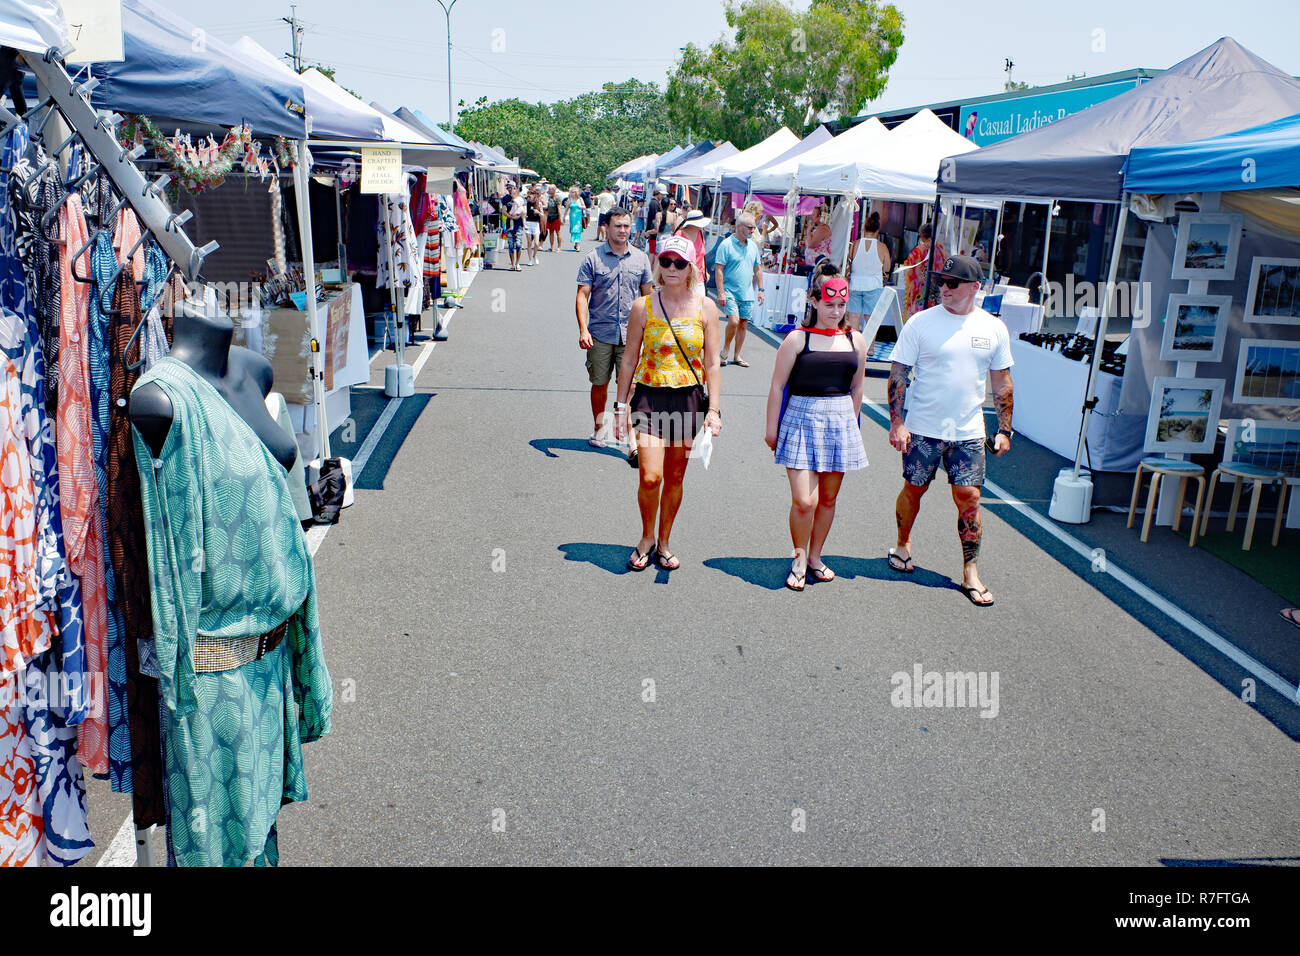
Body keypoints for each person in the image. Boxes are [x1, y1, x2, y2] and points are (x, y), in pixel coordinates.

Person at [887, 255, 1014, 607]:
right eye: (941, 281)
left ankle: (970, 571)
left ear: (976, 287)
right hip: (923, 430)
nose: (944, 287)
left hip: (968, 432)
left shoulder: (993, 328)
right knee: (913, 489)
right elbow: (898, 374)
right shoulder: (921, 323)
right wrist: (897, 422)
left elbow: (1002, 383)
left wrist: (1005, 430)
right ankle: (903, 543)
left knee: (969, 498)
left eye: (953, 283)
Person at [612, 235, 722, 572]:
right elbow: (629, 359)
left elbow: (714, 361)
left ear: (691, 268)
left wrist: (713, 411)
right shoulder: (642, 307)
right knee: (650, 476)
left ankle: (664, 541)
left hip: (687, 400)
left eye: (680, 263)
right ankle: (646, 536)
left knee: (675, 478)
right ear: (658, 265)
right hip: (649, 397)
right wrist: (618, 408)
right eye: (666, 261)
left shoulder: (706, 308)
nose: (672, 268)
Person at [766, 271, 868, 591]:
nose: (835, 311)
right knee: (804, 501)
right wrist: (772, 428)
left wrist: (851, 426)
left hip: (840, 424)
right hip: (799, 421)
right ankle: (798, 557)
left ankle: (814, 557)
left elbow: (858, 388)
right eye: (829, 304)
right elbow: (777, 385)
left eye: (841, 304)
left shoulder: (856, 340)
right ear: (814, 301)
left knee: (828, 499)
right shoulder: (798, 339)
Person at [576, 207, 654, 449]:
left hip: (632, 335)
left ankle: (630, 437)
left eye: (626, 226)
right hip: (599, 332)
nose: (622, 230)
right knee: (600, 383)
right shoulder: (593, 258)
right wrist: (583, 330)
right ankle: (600, 428)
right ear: (607, 227)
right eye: (618, 225)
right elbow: (582, 296)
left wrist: (651, 334)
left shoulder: (641, 259)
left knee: (631, 386)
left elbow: (648, 297)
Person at [715, 212, 764, 367]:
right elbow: (719, 269)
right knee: (734, 321)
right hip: (730, 290)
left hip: (747, 292)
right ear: (740, 227)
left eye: (754, 228)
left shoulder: (753, 247)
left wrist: (761, 289)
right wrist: (721, 292)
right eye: (750, 227)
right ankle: (725, 349)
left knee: (743, 323)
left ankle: (737, 355)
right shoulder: (726, 245)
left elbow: (758, 269)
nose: (752, 230)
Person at [845, 210, 892, 332]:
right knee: (871, 319)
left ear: (864, 228)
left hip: (855, 284)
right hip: (874, 285)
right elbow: (887, 268)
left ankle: (853, 344)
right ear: (877, 230)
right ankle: (870, 349)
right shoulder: (882, 247)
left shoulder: (854, 244)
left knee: (854, 316)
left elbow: (848, 263)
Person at [901, 223, 944, 320]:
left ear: (922, 235)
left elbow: (908, 268)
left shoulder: (919, 250)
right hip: (936, 293)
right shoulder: (940, 250)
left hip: (919, 293)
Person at [673, 208, 710, 280]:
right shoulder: (679, 235)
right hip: (683, 279)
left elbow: (702, 256)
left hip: (699, 278)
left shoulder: (701, 234)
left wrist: (705, 271)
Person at [504, 183, 526, 271]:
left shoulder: (521, 199)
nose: (509, 189)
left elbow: (524, 211)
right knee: (510, 244)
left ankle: (517, 263)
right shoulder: (505, 199)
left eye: (511, 187)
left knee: (518, 243)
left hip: (519, 223)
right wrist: (511, 216)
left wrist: (518, 215)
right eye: (508, 187)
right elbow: (503, 211)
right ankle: (512, 264)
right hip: (510, 223)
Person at [524, 185, 544, 266]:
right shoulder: (527, 203)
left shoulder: (539, 204)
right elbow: (524, 213)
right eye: (531, 194)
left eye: (534, 194)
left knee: (536, 243)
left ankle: (534, 256)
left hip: (536, 224)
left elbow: (542, 215)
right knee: (529, 242)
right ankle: (530, 259)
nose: (532, 195)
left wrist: (538, 212)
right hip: (528, 223)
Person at [566, 185, 586, 251]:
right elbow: (566, 209)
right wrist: (563, 217)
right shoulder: (569, 200)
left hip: (578, 217)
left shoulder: (580, 199)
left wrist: (580, 206)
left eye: (573, 192)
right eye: (571, 192)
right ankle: (576, 242)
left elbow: (584, 207)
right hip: (572, 217)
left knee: (577, 231)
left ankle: (578, 245)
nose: (572, 193)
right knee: (573, 231)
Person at [545, 185, 563, 252]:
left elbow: (559, 208)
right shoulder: (549, 197)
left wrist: (560, 218)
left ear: (554, 190)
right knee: (551, 232)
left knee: (558, 232)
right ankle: (551, 247)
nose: (549, 190)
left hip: (556, 217)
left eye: (550, 189)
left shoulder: (557, 198)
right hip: (550, 217)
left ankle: (559, 247)